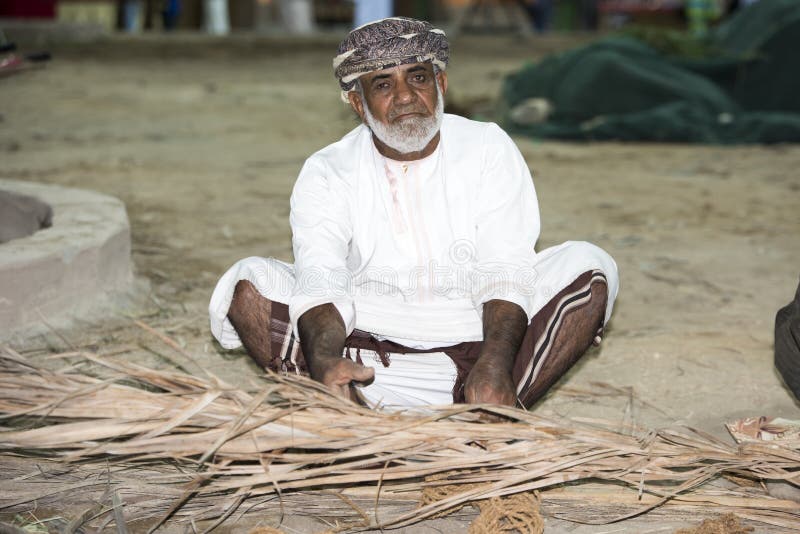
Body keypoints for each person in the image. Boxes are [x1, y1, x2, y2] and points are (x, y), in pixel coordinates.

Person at [209, 17, 619, 410]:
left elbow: (505, 267)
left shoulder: (487, 147)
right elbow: (322, 277)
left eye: (418, 78)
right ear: (358, 103)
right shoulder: (328, 169)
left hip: (477, 344)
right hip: (368, 349)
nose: (405, 96)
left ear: (440, 83)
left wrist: (494, 363)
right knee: (247, 284)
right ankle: (345, 410)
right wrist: (324, 358)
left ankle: (489, 415)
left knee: (588, 266)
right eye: (383, 85)